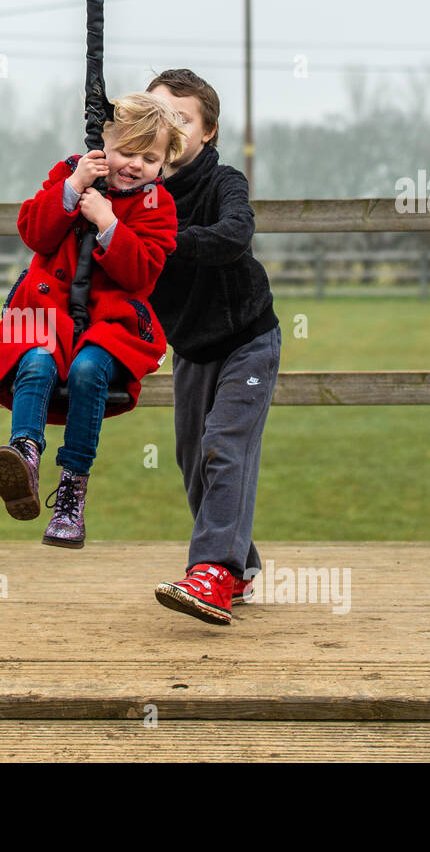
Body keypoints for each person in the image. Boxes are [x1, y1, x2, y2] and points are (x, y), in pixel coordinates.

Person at [0, 92, 184, 549]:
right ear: (103, 143)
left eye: (150, 158)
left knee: (88, 370)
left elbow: (142, 273)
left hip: (110, 325)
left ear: (163, 164)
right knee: (35, 363)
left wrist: (110, 223)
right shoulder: (71, 173)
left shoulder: (159, 204)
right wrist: (73, 189)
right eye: (125, 151)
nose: (135, 165)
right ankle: (25, 456)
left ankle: (73, 488)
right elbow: (34, 233)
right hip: (45, 313)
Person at [146, 68, 281, 625]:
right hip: (191, 346)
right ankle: (240, 566)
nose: (169, 128)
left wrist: (160, 239)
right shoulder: (133, 189)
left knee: (226, 445)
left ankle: (213, 572)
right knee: (192, 459)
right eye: (156, 117)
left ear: (209, 132)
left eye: (182, 118)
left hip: (246, 338)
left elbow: (233, 235)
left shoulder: (224, 182)